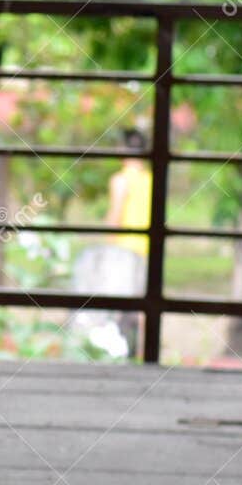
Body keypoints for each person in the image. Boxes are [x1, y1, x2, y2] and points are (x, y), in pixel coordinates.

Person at [72, 128, 150, 356]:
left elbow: (115, 216)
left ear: (123, 150)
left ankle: (114, 352)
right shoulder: (150, 179)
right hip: (146, 250)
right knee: (144, 307)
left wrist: (108, 242)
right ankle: (144, 354)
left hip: (125, 250)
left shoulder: (121, 180)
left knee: (116, 306)